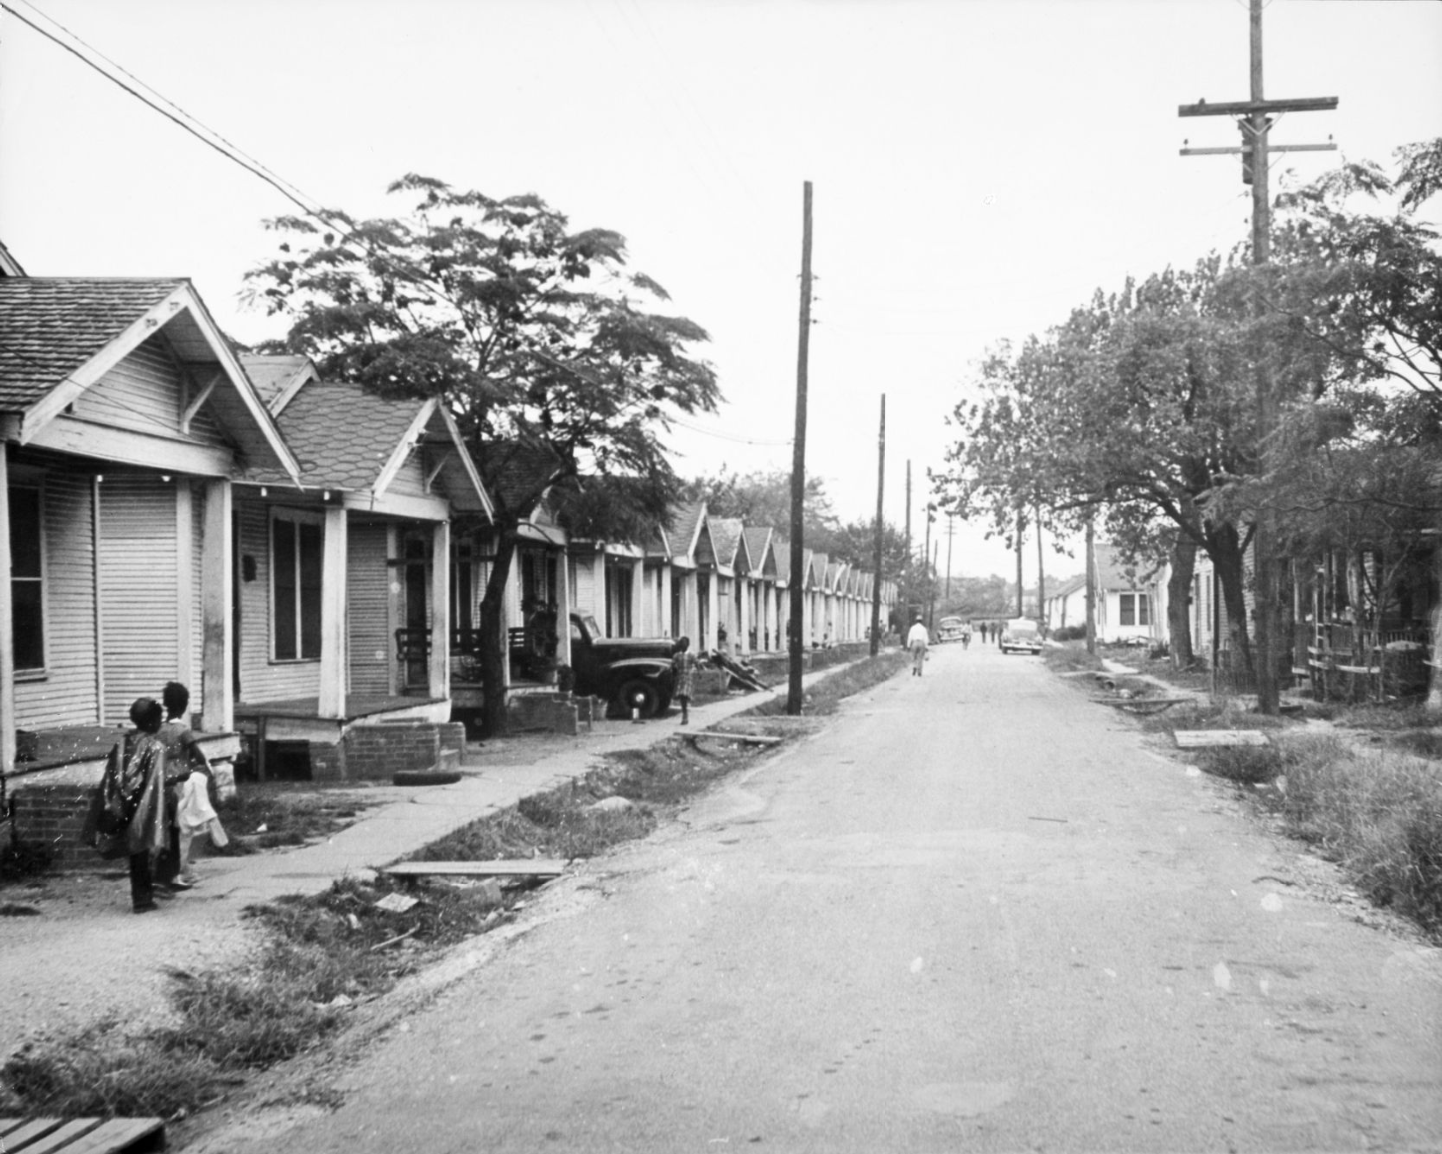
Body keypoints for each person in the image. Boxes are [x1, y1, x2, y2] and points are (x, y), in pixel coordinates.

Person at [160, 681, 224, 886]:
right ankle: (177, 871)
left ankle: (178, 868)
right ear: (185, 705)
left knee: (167, 828)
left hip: (162, 780)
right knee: (183, 828)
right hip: (180, 782)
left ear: (165, 704)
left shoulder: (159, 729)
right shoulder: (183, 731)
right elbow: (199, 755)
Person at [121, 697, 170, 913]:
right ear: (151, 722)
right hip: (147, 801)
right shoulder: (156, 746)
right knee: (148, 847)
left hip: (125, 800)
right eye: (159, 719)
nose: (161, 722)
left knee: (135, 851)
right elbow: (157, 779)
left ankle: (139, 896)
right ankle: (144, 899)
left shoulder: (125, 741)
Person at [671, 636, 698, 725]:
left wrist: (698, 672)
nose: (683, 645)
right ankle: (684, 712)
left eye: (685, 643)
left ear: (688, 645)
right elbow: (672, 665)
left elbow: (697, 663)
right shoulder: (677, 655)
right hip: (680, 677)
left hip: (688, 677)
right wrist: (674, 669)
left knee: (685, 694)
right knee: (682, 695)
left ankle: (685, 713)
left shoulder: (691, 655)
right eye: (681, 643)